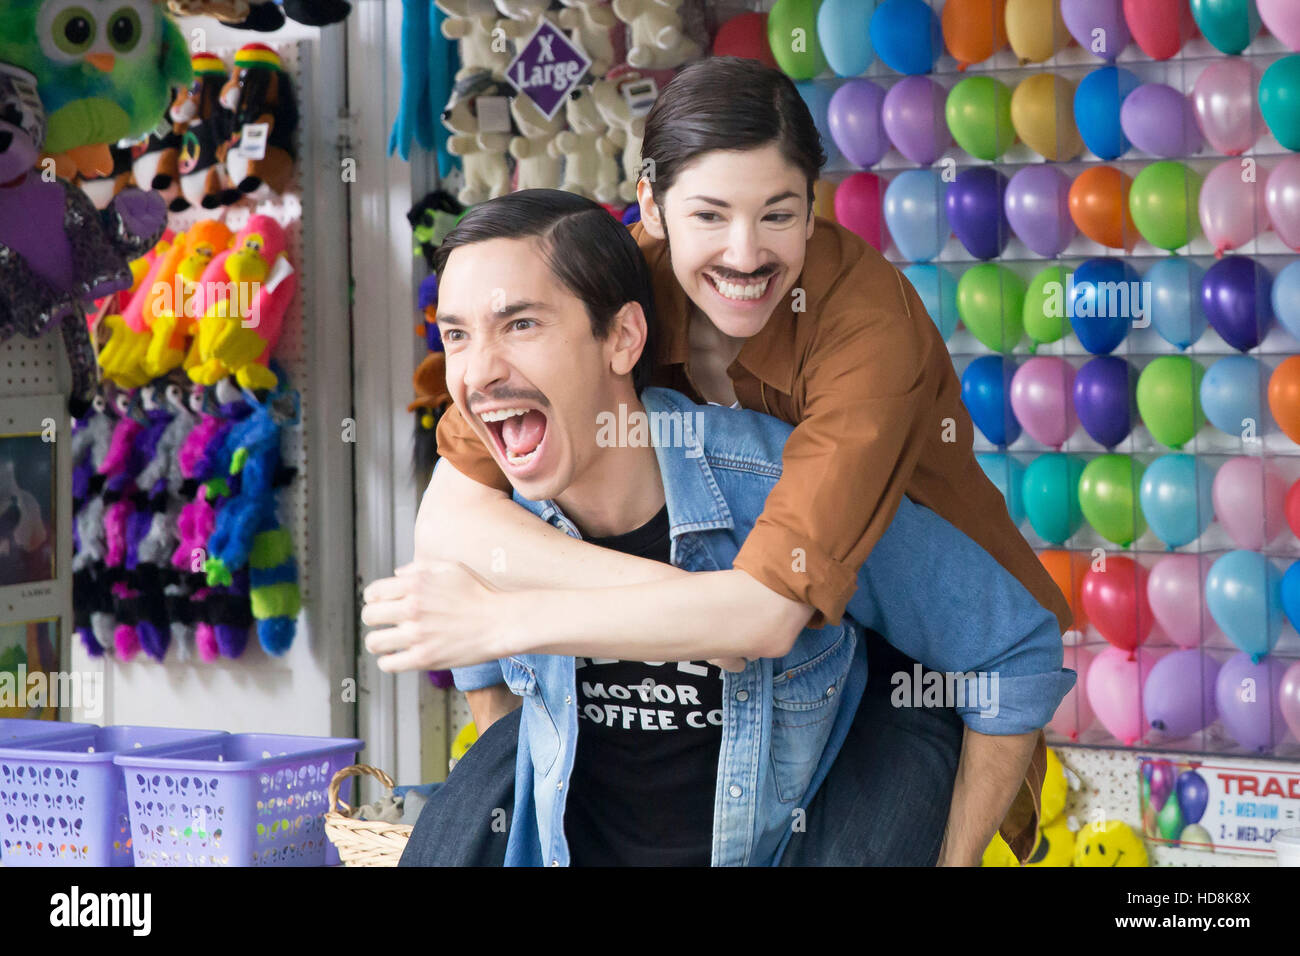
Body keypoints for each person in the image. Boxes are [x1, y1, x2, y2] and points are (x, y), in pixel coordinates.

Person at [364, 56, 1071, 864]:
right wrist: (674, 607)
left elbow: (767, 616)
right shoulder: (605, 286)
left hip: (896, 638)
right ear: (652, 206)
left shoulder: (866, 333)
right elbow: (452, 520)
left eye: (778, 214)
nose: (744, 252)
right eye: (708, 214)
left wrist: (508, 616)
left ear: (812, 209)